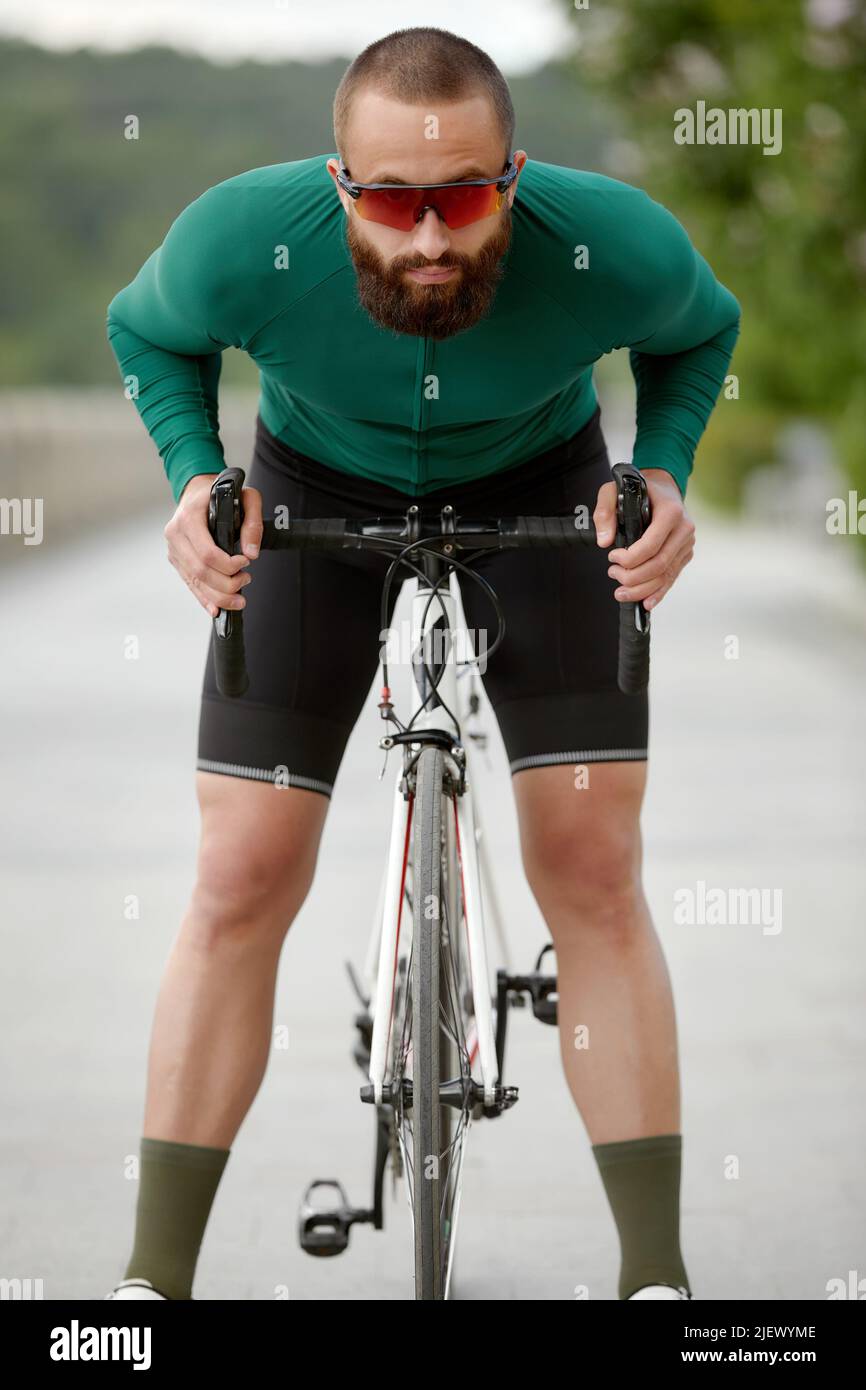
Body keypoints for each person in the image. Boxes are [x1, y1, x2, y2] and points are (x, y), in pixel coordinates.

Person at [104, 26, 740, 1302]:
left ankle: (657, 1281)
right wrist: (193, 480)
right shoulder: (242, 236)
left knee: (593, 867)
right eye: (392, 201)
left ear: (515, 170)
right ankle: (148, 1287)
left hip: (545, 491)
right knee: (239, 871)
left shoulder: (609, 240)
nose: (432, 237)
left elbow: (699, 333)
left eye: (465, 196)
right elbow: (147, 334)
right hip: (305, 498)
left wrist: (660, 469)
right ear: (338, 182)